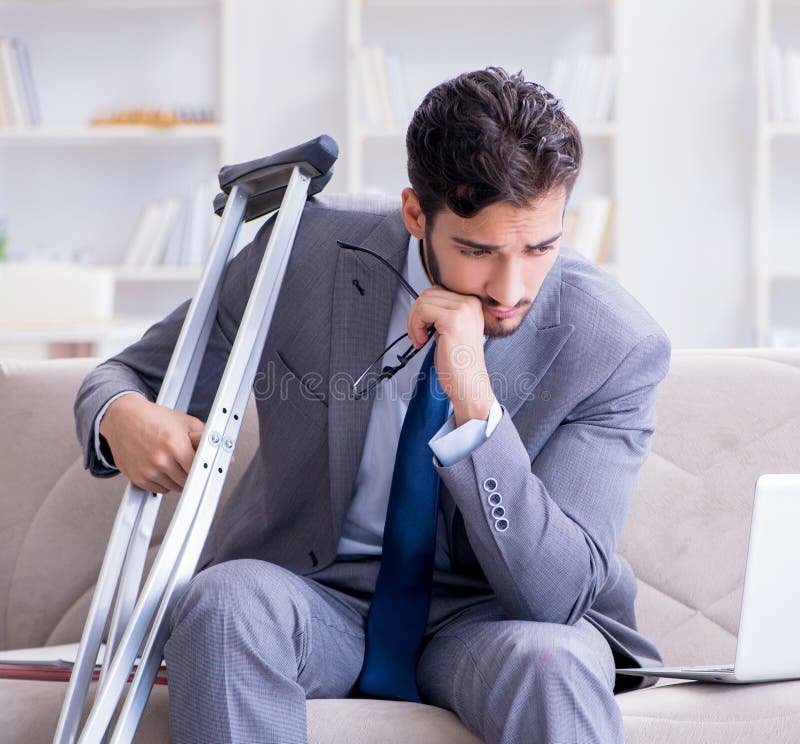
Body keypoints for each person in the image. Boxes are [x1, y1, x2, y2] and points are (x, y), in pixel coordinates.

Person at [75, 67, 670, 744]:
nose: (511, 287)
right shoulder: (302, 254)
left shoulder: (615, 346)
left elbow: (554, 596)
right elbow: (129, 374)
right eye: (478, 250)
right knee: (223, 608)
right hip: (314, 591)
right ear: (416, 211)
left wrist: (475, 403)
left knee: (552, 662)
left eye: (540, 248)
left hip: (491, 616)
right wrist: (119, 415)